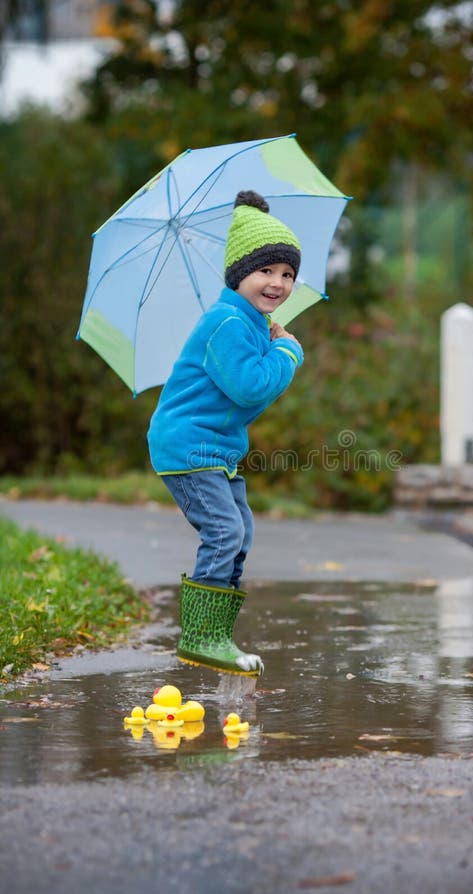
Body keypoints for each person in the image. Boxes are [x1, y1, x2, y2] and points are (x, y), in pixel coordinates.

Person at [147, 189, 304, 677]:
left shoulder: (251, 322)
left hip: (216, 449)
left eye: (287, 274)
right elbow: (249, 387)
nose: (277, 283)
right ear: (239, 275)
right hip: (187, 444)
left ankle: (217, 633)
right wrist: (288, 354)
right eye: (266, 271)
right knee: (224, 530)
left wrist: (273, 341)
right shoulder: (226, 323)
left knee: (241, 531)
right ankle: (201, 637)